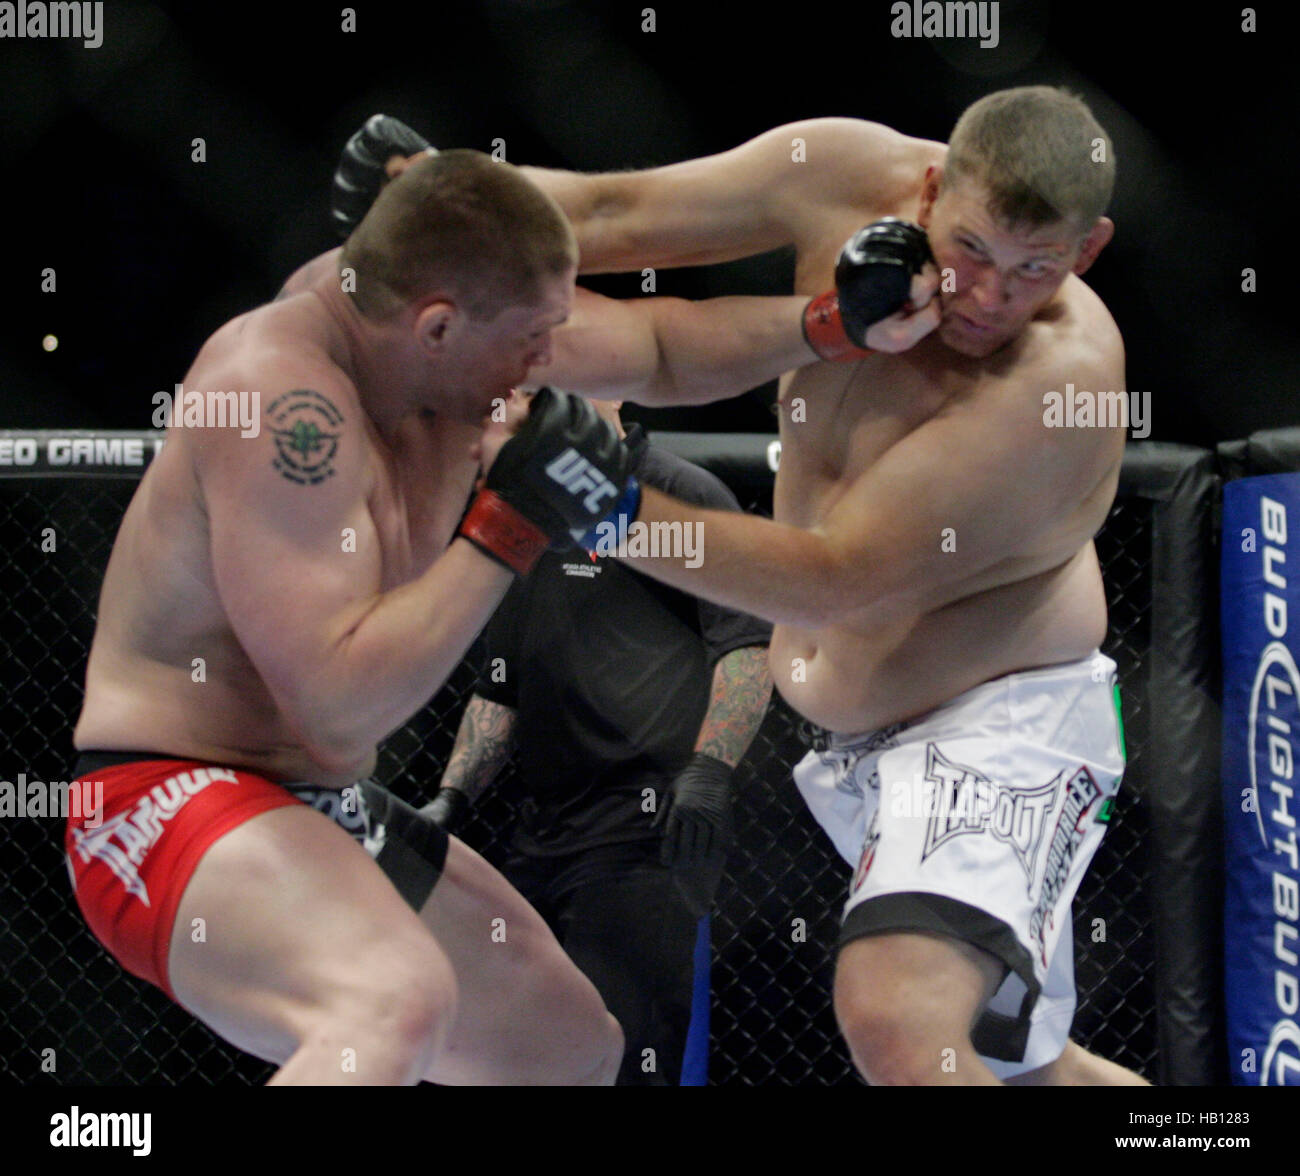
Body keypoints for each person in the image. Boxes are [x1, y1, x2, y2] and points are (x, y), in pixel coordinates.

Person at [64, 147, 837, 1084]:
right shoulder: (281, 402)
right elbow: (337, 709)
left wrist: (830, 325)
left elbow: (660, 351)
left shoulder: (444, 349)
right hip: (162, 799)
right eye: (533, 336)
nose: (550, 360)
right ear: (437, 325)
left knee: (568, 1046)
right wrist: (509, 525)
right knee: (388, 1001)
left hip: (321, 806)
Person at [507, 85, 1149, 1085]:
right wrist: (436, 206)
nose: (987, 297)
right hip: (862, 753)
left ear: (1088, 251)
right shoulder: (837, 176)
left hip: (1000, 731)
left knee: (899, 1016)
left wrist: (600, 504)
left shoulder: (1055, 383)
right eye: (972, 250)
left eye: (1035, 270)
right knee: (1029, 1069)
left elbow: (834, 582)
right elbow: (607, 214)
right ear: (929, 190)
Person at [423, 396, 773, 1085]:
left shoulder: (681, 495)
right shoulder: (526, 513)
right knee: (529, 1059)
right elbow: (502, 687)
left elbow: (747, 649)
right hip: (536, 839)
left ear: (607, 395)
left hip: (646, 837)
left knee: (636, 1062)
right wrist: (452, 796)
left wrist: (708, 770)